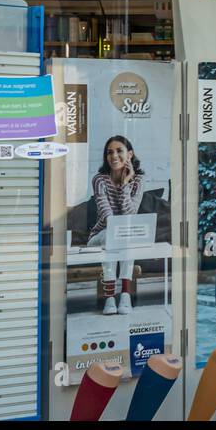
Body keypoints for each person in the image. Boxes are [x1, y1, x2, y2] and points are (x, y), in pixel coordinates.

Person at [88, 135, 144, 315]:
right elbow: (108, 218)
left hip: (123, 237)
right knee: (112, 236)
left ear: (130, 154)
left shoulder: (138, 181)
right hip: (100, 237)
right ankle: (110, 296)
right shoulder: (99, 180)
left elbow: (130, 215)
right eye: (109, 152)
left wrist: (125, 184)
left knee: (128, 236)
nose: (114, 156)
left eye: (119, 151)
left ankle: (125, 294)